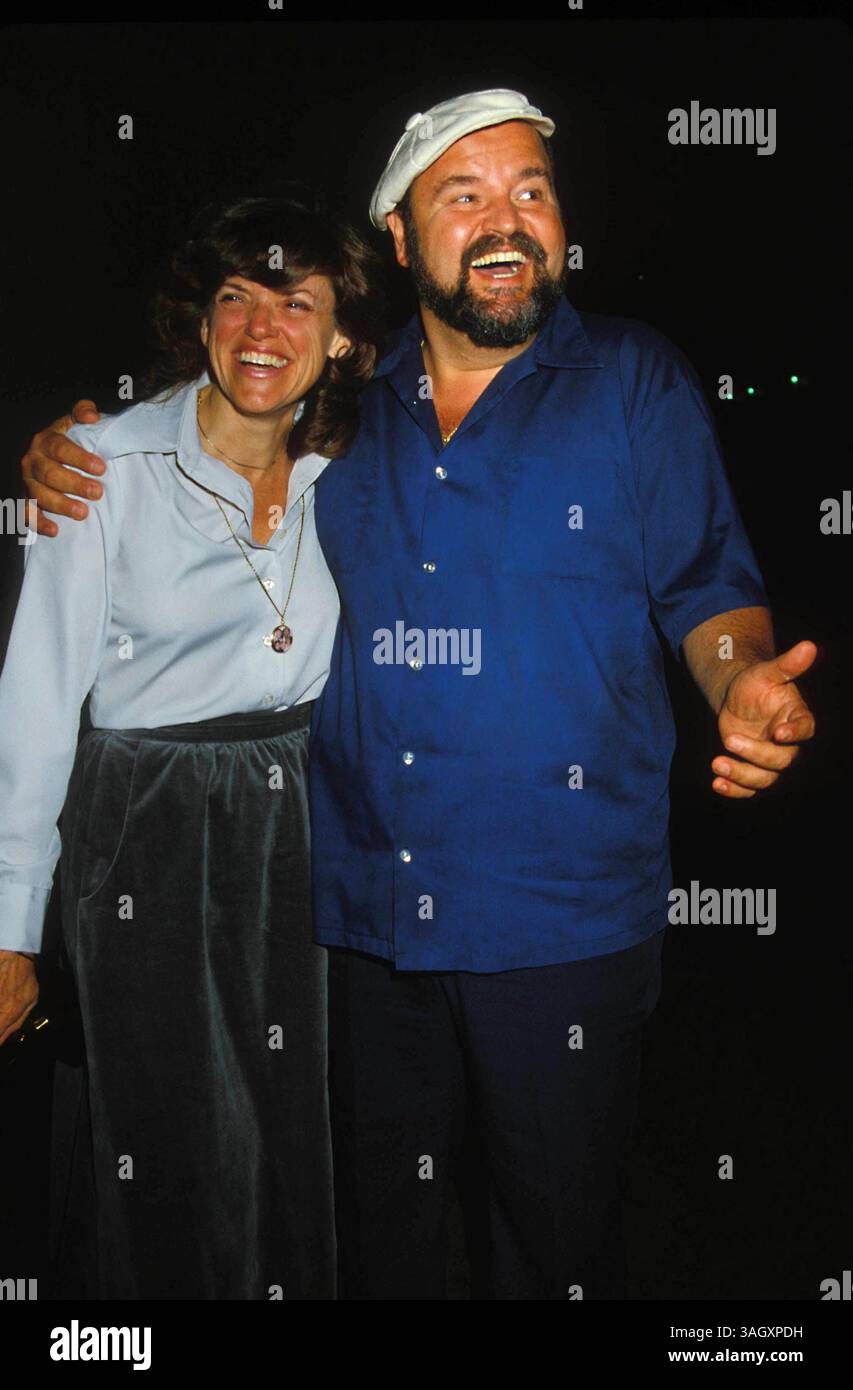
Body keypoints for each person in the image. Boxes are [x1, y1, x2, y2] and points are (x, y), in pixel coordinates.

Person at [19, 89, 816, 1301]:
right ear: (399, 236)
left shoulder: (633, 382)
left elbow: (708, 588)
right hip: (359, 927)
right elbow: (195, 453)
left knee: (551, 1249)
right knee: (375, 1235)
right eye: (465, 195)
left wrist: (738, 680)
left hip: (562, 925)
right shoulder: (343, 418)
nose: (507, 221)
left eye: (531, 192)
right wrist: (77, 443)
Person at [0, 194, 384, 1299]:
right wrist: (11, 927)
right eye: (236, 298)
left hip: (298, 824)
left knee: (285, 1124)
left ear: (342, 337)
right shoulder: (99, 463)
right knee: (167, 1135)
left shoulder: (351, 465)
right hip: (147, 826)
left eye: (296, 303)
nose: (261, 330)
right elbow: (35, 697)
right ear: (200, 319)